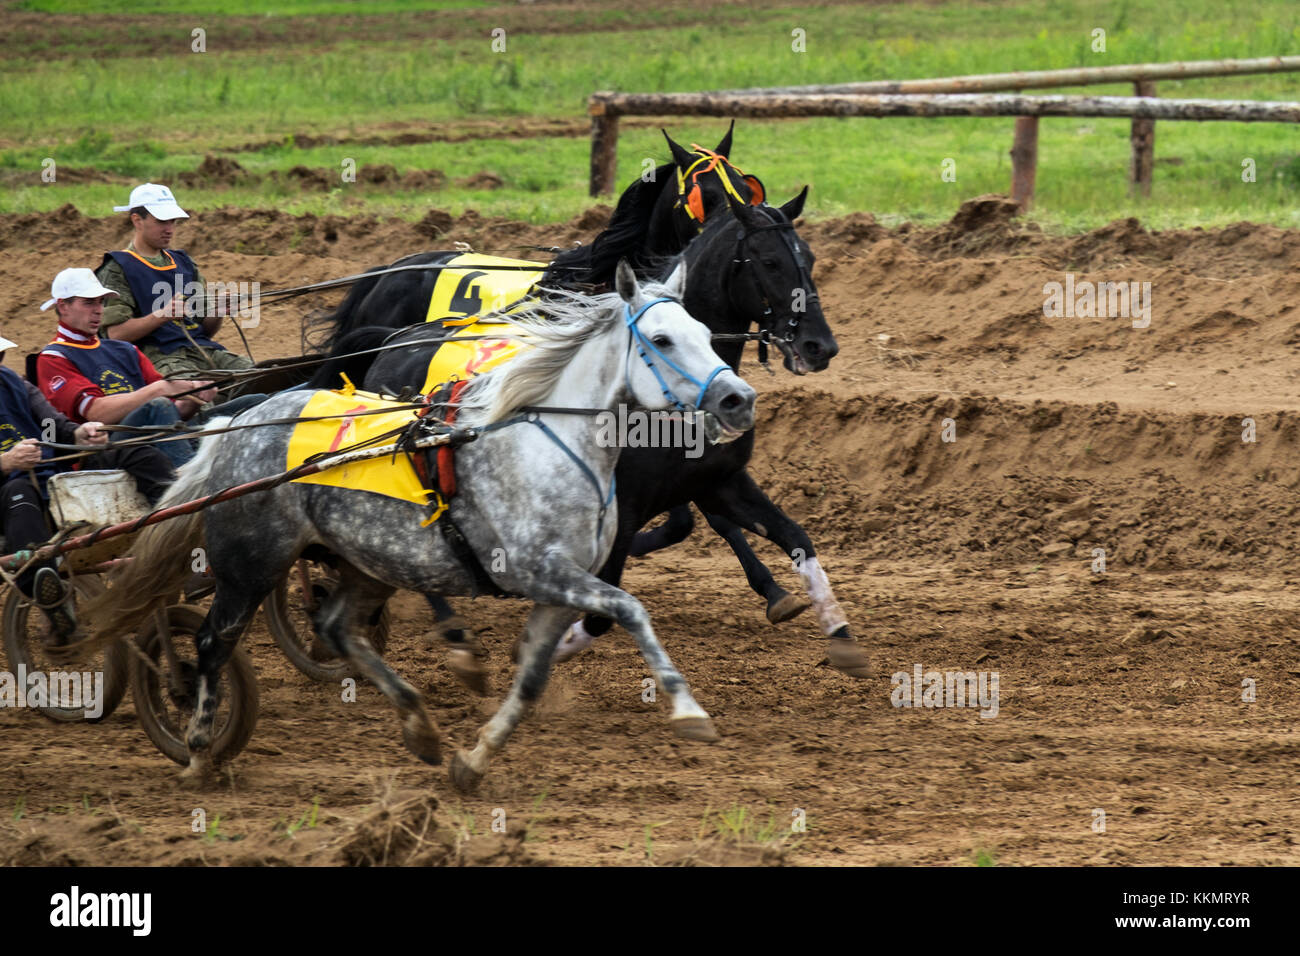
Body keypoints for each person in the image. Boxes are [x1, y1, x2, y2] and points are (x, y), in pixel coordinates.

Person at [0, 332, 174, 641]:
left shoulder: (17, 384)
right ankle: (48, 595)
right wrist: (7, 462)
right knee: (20, 494)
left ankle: (177, 520)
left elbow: (56, 424)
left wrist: (83, 434)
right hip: (11, 494)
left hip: (54, 480)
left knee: (133, 452)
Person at [35, 268, 221, 468]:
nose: (98, 310)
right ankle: (192, 485)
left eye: (101, 302)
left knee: (250, 403)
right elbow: (96, 413)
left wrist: (194, 396)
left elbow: (173, 412)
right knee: (159, 404)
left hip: (151, 436)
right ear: (63, 306)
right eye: (89, 302)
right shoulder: (53, 357)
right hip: (103, 449)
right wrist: (160, 390)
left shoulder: (125, 350)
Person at [94, 183, 254, 379]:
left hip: (203, 351)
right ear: (137, 220)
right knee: (194, 395)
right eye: (162, 221)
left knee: (259, 376)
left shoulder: (184, 263)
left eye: (173, 221)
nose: (169, 229)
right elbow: (115, 335)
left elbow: (203, 329)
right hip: (158, 361)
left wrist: (217, 310)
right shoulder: (117, 268)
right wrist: (161, 315)